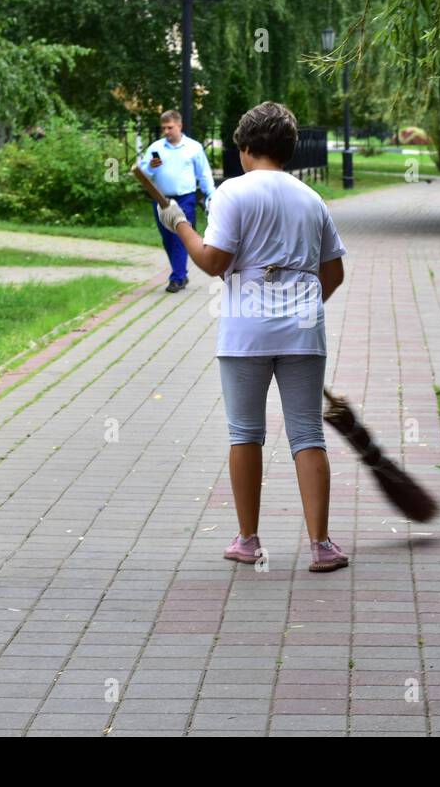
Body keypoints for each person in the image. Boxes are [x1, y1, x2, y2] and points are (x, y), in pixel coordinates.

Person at [157, 101, 350, 572]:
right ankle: (321, 545)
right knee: (307, 435)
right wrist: (299, 308)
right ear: (287, 149)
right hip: (304, 330)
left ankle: (248, 540)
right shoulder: (312, 198)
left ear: (245, 149)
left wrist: (179, 224)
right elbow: (335, 272)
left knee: (245, 434)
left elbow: (214, 262)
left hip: (245, 330)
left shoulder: (232, 193)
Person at [138, 109, 215, 292]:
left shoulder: (193, 147)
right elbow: (143, 174)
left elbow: (204, 174)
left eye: (170, 127)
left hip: (185, 198)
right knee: (167, 238)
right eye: (164, 128)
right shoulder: (156, 148)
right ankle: (180, 272)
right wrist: (150, 166)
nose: (166, 131)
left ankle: (177, 278)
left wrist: (211, 194)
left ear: (179, 126)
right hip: (160, 198)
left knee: (180, 236)